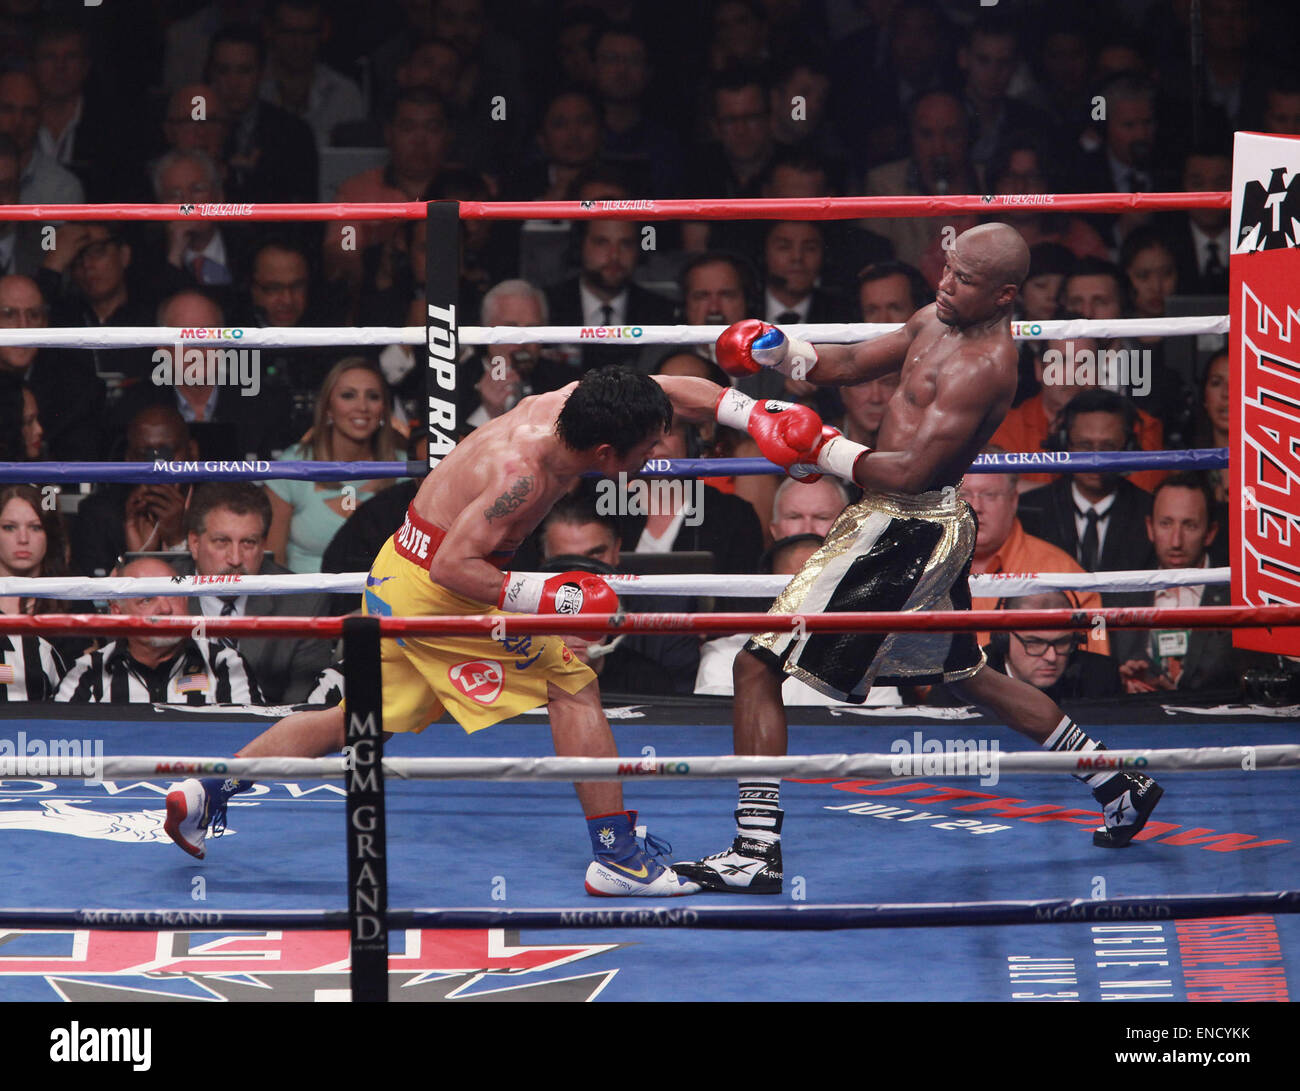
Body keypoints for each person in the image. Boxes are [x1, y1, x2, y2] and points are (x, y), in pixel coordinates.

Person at [163, 365, 824, 897]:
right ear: (603, 452)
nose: (657, 455)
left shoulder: (572, 403)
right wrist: (552, 594)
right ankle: (617, 856)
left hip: (404, 566)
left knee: (357, 714)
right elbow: (457, 566)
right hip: (437, 585)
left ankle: (207, 788)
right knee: (572, 681)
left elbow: (670, 390)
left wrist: (753, 413)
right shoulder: (525, 475)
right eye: (649, 447)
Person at [673, 223, 1164, 895]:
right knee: (967, 674)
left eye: (963, 278)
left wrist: (819, 449)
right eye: (948, 266)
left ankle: (755, 850)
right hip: (915, 520)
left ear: (1005, 295)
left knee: (757, 664)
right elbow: (847, 364)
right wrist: (784, 351)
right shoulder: (934, 317)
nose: (945, 281)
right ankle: (1117, 781)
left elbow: (904, 473)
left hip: (901, 528)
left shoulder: (987, 367)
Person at [177, 483, 332, 704]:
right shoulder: (158, 591)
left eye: (248, 543)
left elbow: (301, 707)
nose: (235, 559)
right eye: (222, 542)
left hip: (268, 731)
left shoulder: (303, 602)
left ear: (263, 547)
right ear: (194, 543)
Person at [1106, 474, 1249, 695]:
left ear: (1210, 533)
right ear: (1150, 528)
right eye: (1166, 524)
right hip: (1139, 720)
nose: (1176, 542)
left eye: (1189, 526)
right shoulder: (1121, 593)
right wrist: (1121, 682)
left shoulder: (1241, 595)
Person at [57, 557, 262, 705]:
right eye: (147, 599)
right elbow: (60, 748)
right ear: (118, 612)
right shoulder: (88, 672)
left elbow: (249, 747)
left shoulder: (225, 665)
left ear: (186, 599)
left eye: (173, 595)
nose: (165, 609)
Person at [265, 357, 400, 574]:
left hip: (379, 603)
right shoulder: (292, 467)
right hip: (305, 603)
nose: (362, 407)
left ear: (384, 408)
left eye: (373, 397)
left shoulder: (405, 469)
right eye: (348, 395)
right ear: (328, 407)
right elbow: (273, 560)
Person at [1016, 389, 1159, 573]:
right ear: (1065, 444)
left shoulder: (1150, 512)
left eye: (1108, 447)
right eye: (1085, 445)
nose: (1096, 459)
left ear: (1127, 448)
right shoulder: (1028, 511)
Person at [930, 591, 1122, 704]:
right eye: (1035, 642)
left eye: (1062, 642)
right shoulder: (961, 682)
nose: (1051, 657)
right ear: (1003, 638)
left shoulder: (1101, 677)